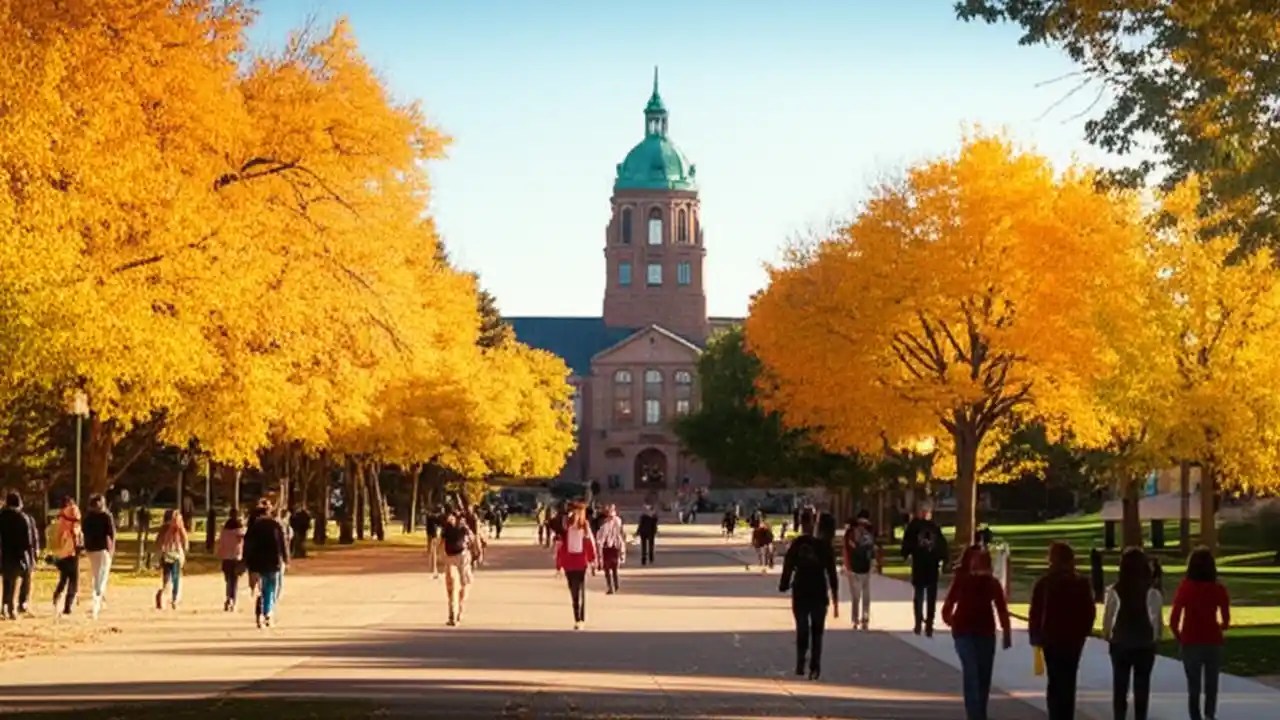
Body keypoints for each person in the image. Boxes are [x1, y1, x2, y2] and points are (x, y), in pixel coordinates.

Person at [941, 545, 1013, 720]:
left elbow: (1002, 609)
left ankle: (980, 711)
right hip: (964, 633)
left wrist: (1006, 632)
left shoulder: (992, 584)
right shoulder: (962, 581)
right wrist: (954, 623)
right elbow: (948, 607)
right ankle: (975, 715)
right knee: (972, 671)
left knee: (983, 675)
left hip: (985, 633)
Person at [1028, 541, 1096, 720]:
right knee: (1069, 679)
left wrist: (1035, 636)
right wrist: (1083, 632)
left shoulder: (1044, 583)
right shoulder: (1081, 583)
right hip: (1073, 640)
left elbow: (1035, 612)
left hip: (1051, 639)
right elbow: (1089, 611)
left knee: (1055, 680)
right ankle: (1066, 715)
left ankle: (1056, 715)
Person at [1103, 547, 1164, 720]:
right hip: (1144, 644)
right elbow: (1156, 619)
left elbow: (1109, 617)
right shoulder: (1152, 593)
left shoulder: (1114, 591)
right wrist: (1156, 637)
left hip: (1120, 643)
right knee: (1142, 687)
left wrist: (1108, 635)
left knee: (1120, 687)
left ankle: (1119, 716)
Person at [1170, 547, 1231, 720]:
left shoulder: (1185, 588)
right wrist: (1222, 626)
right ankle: (1210, 714)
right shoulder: (1218, 589)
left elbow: (1174, 619)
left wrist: (1179, 636)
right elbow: (1226, 619)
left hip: (1190, 640)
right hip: (1212, 640)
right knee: (1212, 683)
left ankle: (1195, 716)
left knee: (1193, 685)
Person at [779, 510, 839, 680]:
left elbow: (788, 565)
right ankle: (814, 664)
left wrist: (784, 584)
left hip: (801, 590)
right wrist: (834, 596)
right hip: (818, 590)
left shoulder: (798, 544)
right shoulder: (823, 546)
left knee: (803, 628)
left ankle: (801, 660)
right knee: (817, 631)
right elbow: (831, 572)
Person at [901, 504, 948, 637]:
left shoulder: (924, 527)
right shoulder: (923, 527)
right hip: (924, 565)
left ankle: (925, 623)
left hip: (926, 565)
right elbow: (941, 545)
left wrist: (905, 554)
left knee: (923, 595)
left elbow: (907, 544)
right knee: (922, 595)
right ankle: (922, 622)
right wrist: (943, 558)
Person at [244, 500, 289, 628]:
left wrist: (246, 560)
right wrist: (286, 558)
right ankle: (268, 611)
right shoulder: (276, 525)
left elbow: (248, 545)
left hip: (257, 561)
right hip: (273, 560)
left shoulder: (254, 527)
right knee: (270, 587)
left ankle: (261, 611)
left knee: (261, 588)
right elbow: (282, 543)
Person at [556, 503, 597, 629]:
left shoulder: (585, 526)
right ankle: (577, 617)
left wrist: (593, 560)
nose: (575, 514)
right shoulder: (565, 527)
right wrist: (558, 565)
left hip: (580, 562)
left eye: (578, 512)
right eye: (573, 512)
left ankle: (580, 619)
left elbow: (590, 543)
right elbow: (560, 546)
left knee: (579, 590)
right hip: (568, 563)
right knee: (573, 591)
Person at [82, 493, 116, 620]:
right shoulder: (106, 516)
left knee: (96, 575)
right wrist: (112, 548)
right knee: (102, 577)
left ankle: (99, 599)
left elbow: (84, 532)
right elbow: (111, 534)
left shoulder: (88, 517)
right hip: (102, 549)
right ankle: (96, 599)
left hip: (91, 549)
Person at [0, 492, 33, 620]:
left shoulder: (1, 516)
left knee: (6, 581)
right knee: (14, 581)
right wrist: (28, 554)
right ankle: (12, 608)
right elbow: (27, 539)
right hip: (17, 553)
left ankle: (4, 606)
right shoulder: (22, 518)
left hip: (4, 552)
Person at [842, 510, 877, 629]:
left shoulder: (855, 533)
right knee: (860, 596)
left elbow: (871, 550)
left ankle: (860, 618)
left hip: (860, 568)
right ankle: (860, 618)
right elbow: (848, 550)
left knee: (859, 596)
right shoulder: (857, 533)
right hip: (857, 568)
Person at [51, 498, 83, 618]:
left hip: (62, 556)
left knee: (63, 579)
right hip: (72, 555)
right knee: (73, 581)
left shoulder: (61, 523)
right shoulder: (75, 525)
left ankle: (56, 597)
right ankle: (67, 606)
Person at [441, 511, 473, 626]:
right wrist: (441, 558)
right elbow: (442, 542)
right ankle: (452, 614)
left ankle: (459, 609)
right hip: (450, 557)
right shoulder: (447, 527)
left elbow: (472, 539)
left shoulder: (464, 527)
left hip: (463, 556)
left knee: (464, 585)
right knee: (451, 585)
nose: (453, 519)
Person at [154, 509, 188, 610]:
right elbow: (185, 540)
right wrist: (185, 549)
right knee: (176, 578)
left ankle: (163, 594)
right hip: (176, 556)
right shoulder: (179, 527)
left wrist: (159, 551)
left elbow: (158, 541)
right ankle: (174, 599)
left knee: (166, 577)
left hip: (165, 555)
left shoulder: (164, 528)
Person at [216, 513, 247, 612]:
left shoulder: (224, 532)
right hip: (236, 558)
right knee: (234, 581)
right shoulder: (240, 533)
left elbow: (220, 544)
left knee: (228, 580)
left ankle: (228, 597)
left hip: (225, 558)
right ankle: (232, 600)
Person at [595, 504, 626, 594]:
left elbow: (601, 537)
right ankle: (615, 585)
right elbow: (622, 534)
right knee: (614, 568)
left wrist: (599, 545)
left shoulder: (605, 523)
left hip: (608, 547)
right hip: (615, 546)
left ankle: (611, 587)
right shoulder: (618, 521)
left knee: (608, 569)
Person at [425, 507, 443, 579]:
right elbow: (440, 523)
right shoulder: (434, 518)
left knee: (431, 552)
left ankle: (432, 569)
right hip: (433, 536)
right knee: (434, 553)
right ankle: (434, 570)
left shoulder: (429, 517)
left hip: (430, 535)